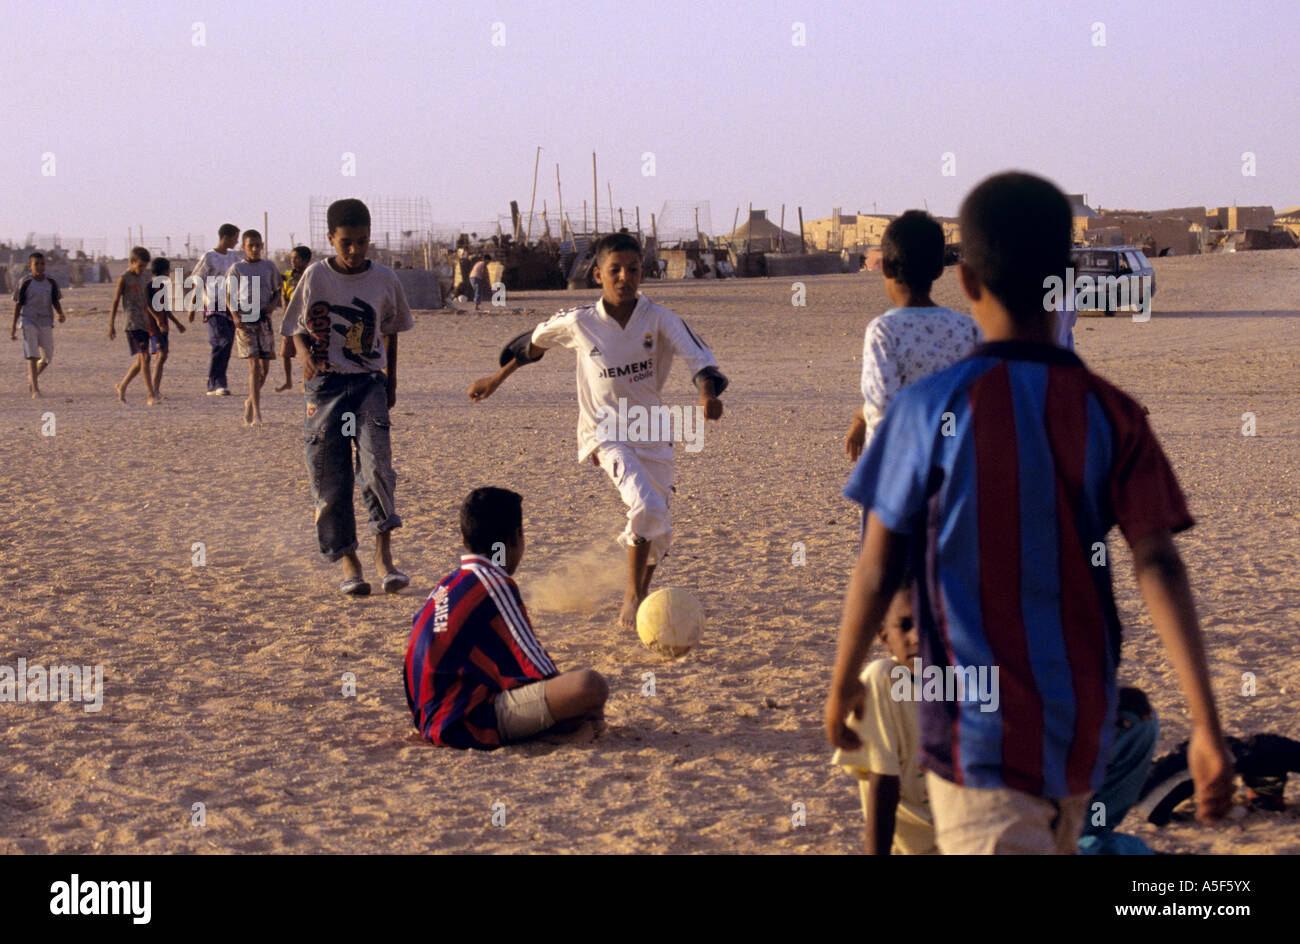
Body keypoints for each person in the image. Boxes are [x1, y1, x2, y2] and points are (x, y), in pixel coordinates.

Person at [824, 171, 1234, 854]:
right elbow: (1159, 563)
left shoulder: (927, 412)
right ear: (1065, 281)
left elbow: (876, 565)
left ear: (969, 282)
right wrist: (1208, 724)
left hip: (975, 733)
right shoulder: (1112, 412)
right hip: (1078, 726)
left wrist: (841, 685)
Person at [468, 232, 728, 631]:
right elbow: (531, 345)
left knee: (658, 526)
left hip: (652, 430)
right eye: (615, 270)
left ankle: (643, 599)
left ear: (644, 272)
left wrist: (707, 397)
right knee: (643, 506)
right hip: (605, 431)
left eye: (634, 269)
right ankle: (632, 594)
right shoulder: (580, 322)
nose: (625, 277)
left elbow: (699, 359)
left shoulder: (660, 319)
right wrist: (496, 378)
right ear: (597, 275)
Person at [834, 574, 1160, 855]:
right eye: (905, 625)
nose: (918, 636)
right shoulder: (883, 682)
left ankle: (1083, 836)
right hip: (947, 845)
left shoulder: (978, 672)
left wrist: (1107, 698)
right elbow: (882, 786)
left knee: (1135, 724)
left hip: (1001, 820)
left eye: (931, 621)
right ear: (883, 636)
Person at [403, 487, 609, 749]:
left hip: (429, 715)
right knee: (589, 686)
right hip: (463, 721)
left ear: (466, 541)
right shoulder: (496, 584)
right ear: (515, 539)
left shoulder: (449, 583)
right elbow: (540, 672)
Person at [281, 198, 413, 596]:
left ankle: (384, 557)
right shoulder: (315, 278)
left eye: (362, 242)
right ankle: (349, 562)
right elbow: (293, 328)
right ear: (330, 239)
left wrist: (391, 381)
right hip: (325, 389)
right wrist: (305, 358)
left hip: (369, 383)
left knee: (377, 470)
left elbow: (391, 330)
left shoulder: (385, 279)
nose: (354, 251)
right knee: (329, 477)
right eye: (346, 243)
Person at [844, 210, 979, 463]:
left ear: (884, 267)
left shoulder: (884, 331)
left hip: (899, 470)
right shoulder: (968, 328)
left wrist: (861, 416)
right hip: (955, 469)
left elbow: (883, 405)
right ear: (939, 269)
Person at [224, 230, 280, 426]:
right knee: (254, 365)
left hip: (263, 318)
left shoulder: (269, 267)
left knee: (264, 369)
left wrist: (272, 305)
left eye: (258, 245)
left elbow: (277, 291)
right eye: (251, 246)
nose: (255, 249)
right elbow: (229, 295)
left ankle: (250, 400)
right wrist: (234, 315)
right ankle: (257, 413)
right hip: (245, 318)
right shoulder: (237, 268)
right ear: (244, 248)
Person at [191, 223, 243, 396]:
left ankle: (215, 381)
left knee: (227, 344)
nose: (237, 242)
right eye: (236, 238)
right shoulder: (209, 257)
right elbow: (198, 280)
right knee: (221, 341)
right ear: (226, 237)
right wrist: (193, 305)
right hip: (213, 305)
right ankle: (217, 382)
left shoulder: (234, 258)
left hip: (230, 305)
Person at [10, 251, 65, 398]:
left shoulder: (51, 282)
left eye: (42, 264)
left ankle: (32, 378)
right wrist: (13, 329)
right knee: (32, 355)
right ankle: (35, 389)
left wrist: (60, 313)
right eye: (36, 264)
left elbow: (55, 300)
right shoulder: (25, 282)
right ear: (30, 266)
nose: (40, 267)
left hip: (46, 321)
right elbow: (18, 305)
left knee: (47, 357)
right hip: (28, 320)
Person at [108, 246, 159, 405]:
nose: (142, 269)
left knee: (141, 361)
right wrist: (111, 325)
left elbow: (147, 300)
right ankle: (151, 395)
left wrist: (156, 318)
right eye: (140, 266)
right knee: (145, 358)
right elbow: (116, 301)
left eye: (144, 266)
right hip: (132, 323)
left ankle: (122, 386)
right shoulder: (124, 278)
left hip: (145, 322)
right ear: (132, 262)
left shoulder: (146, 277)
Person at [146, 256, 186, 399]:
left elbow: (165, 308)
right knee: (161, 355)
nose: (170, 273)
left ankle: (155, 389)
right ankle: (154, 391)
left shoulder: (162, 287)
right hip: (154, 327)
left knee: (161, 358)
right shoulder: (150, 286)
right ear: (163, 271)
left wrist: (177, 323)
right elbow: (148, 305)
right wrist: (158, 320)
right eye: (168, 270)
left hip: (163, 326)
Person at [275, 246, 311, 391]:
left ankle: (305, 382)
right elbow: (284, 295)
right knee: (285, 352)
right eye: (292, 259)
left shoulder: (310, 275)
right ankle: (288, 381)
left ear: (305, 260)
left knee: (306, 351)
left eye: (297, 258)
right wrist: (285, 313)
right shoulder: (288, 276)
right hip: (290, 318)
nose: (293, 261)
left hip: (305, 318)